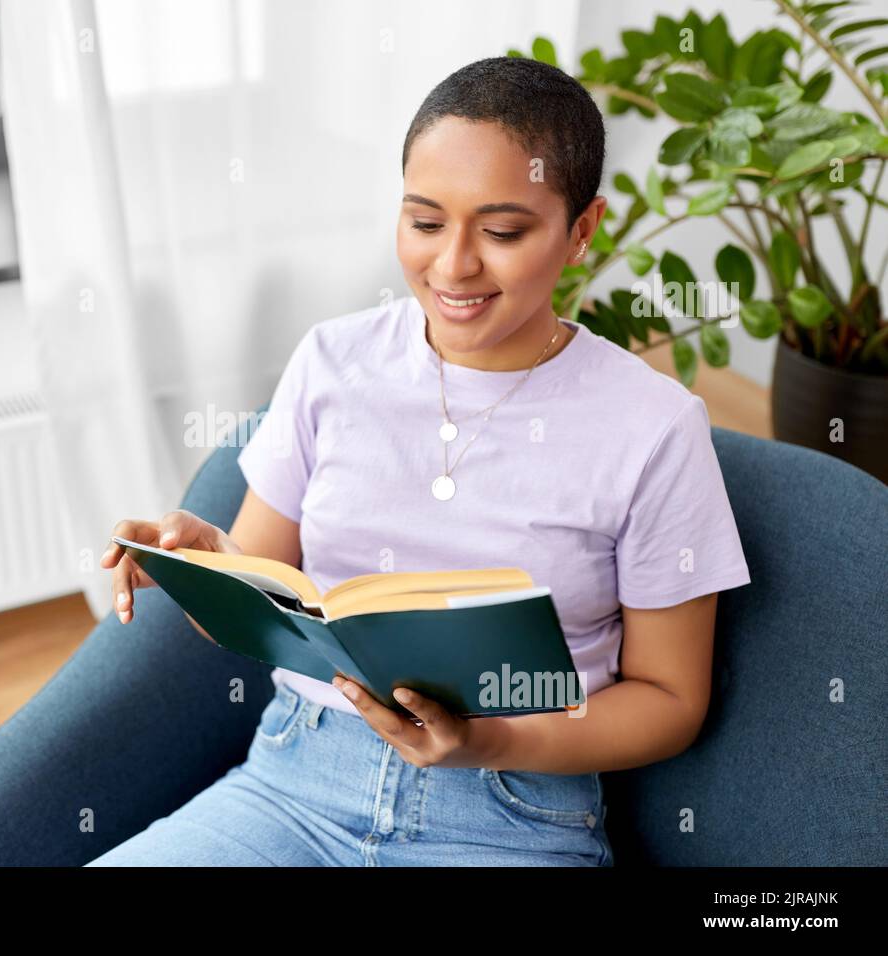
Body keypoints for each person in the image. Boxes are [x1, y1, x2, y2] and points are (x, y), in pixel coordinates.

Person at [91, 55, 751, 866]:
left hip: (509, 820)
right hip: (293, 786)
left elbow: (672, 701)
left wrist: (488, 740)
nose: (453, 266)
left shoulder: (652, 428)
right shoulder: (334, 361)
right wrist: (203, 566)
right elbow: (262, 599)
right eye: (425, 222)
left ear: (583, 230)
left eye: (503, 231)